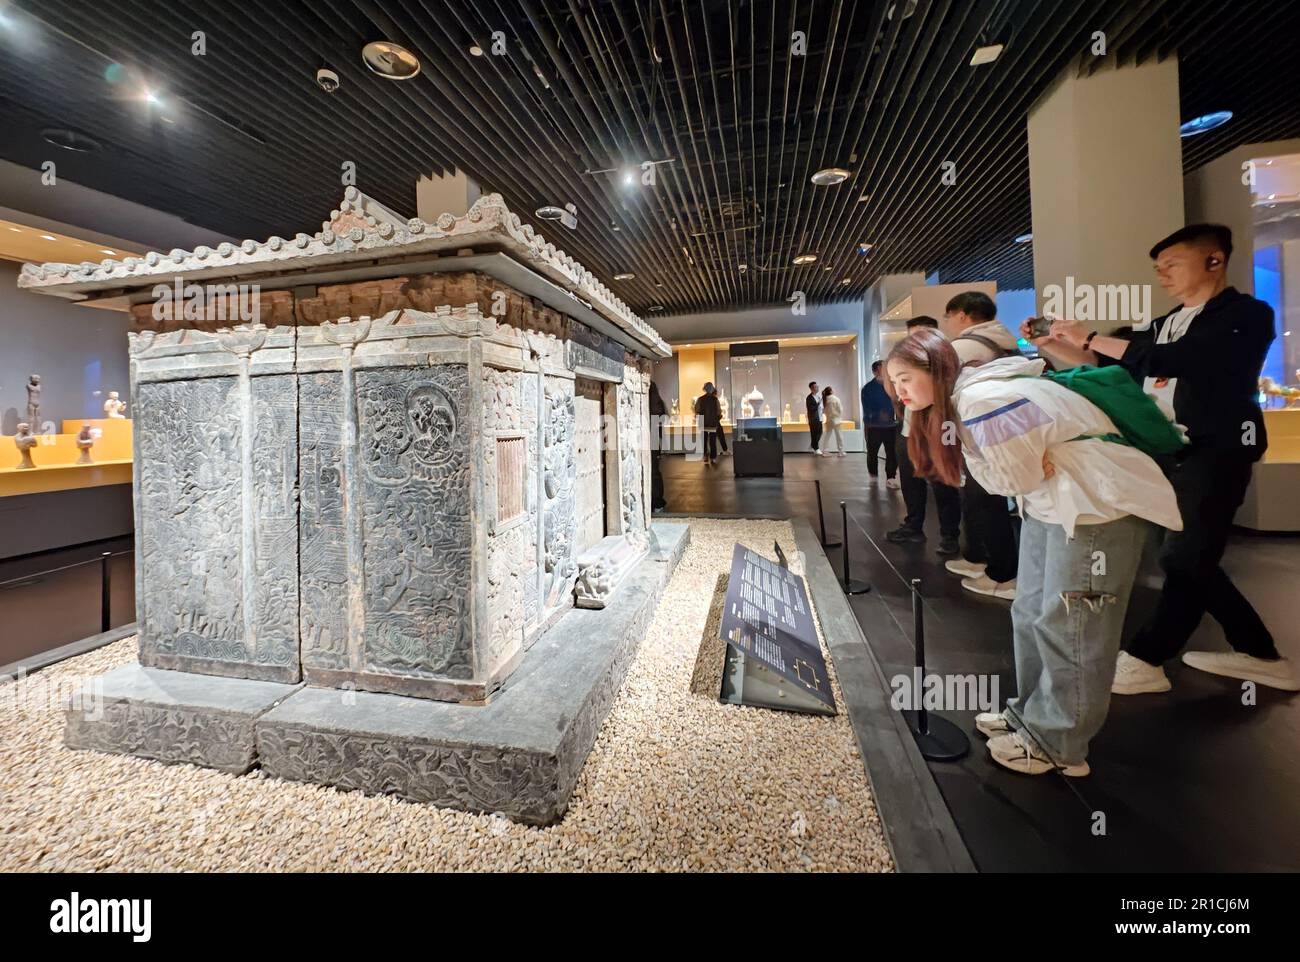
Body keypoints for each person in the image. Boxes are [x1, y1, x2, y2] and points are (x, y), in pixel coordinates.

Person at [888, 327, 1181, 775]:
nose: (899, 390)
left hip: (1094, 507)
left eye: (906, 378)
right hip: (1056, 505)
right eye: (895, 382)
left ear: (937, 368)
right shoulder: (970, 401)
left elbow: (1011, 481)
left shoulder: (983, 400)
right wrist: (1014, 468)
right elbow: (1000, 479)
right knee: (1032, 611)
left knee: (1074, 625)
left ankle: (1059, 742)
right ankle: (1030, 716)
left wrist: (1014, 470)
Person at [1038, 223, 1298, 693]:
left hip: (1217, 449)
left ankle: (1147, 656)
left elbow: (1176, 360)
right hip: (1167, 448)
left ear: (1214, 260)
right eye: (1158, 269)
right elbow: (1122, 367)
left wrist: (1092, 335)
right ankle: (1260, 653)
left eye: (1172, 265)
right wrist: (1055, 345)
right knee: (1189, 557)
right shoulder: (1166, 322)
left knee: (1183, 557)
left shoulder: (1247, 314)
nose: (1163, 276)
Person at [941, 291, 1022, 600]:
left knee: (987, 502)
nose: (948, 323)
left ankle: (1003, 574)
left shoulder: (963, 347)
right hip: (999, 433)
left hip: (982, 435)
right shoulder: (1005, 342)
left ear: (962, 314)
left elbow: (939, 388)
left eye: (949, 316)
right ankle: (981, 559)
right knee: (982, 501)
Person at [887, 315, 962, 554]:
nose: (900, 391)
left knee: (944, 482)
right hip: (911, 431)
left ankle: (950, 535)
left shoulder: (966, 398)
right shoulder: (916, 402)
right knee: (912, 480)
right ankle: (914, 524)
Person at [861, 360, 899, 486]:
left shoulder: (892, 386)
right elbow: (867, 408)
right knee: (872, 452)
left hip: (890, 425)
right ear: (876, 370)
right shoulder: (868, 388)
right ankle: (873, 474)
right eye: (883, 368)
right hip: (874, 426)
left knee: (892, 452)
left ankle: (891, 477)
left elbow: (897, 402)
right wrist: (877, 415)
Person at [693, 382, 725, 465]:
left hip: (703, 422)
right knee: (712, 441)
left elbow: (697, 409)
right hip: (713, 423)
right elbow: (719, 411)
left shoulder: (700, 399)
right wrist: (718, 417)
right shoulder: (715, 399)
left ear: (705, 389)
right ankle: (713, 457)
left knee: (703, 440)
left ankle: (705, 456)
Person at [648, 380, 668, 511]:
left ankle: (655, 501)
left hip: (648, 437)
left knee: (652, 471)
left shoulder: (650, 402)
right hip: (653, 438)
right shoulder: (658, 403)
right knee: (654, 471)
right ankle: (657, 502)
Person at [821, 386, 845, 456]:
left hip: (829, 420)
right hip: (836, 420)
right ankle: (840, 452)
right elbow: (840, 410)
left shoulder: (825, 400)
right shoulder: (836, 399)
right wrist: (839, 415)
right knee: (839, 436)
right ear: (831, 391)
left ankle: (825, 451)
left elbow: (824, 411)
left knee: (827, 436)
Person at [805, 381, 823, 455]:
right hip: (813, 419)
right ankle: (816, 448)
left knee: (820, 432)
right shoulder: (809, 398)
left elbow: (820, 407)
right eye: (815, 387)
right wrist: (818, 403)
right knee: (814, 433)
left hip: (819, 418)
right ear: (811, 388)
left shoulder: (818, 397)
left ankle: (813, 445)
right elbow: (811, 408)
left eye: (817, 386)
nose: (817, 387)